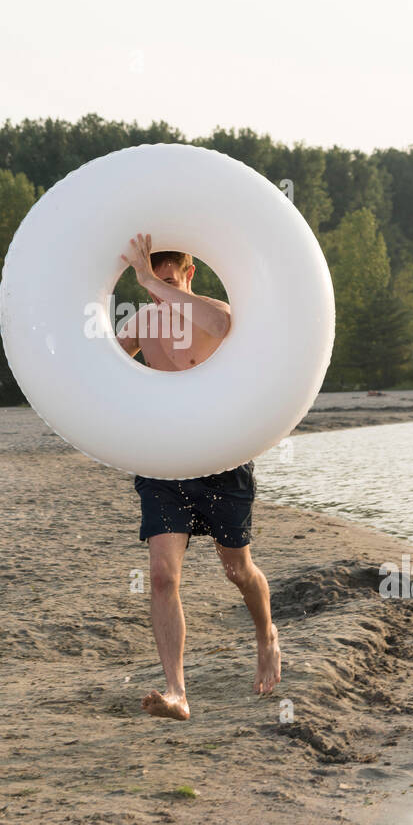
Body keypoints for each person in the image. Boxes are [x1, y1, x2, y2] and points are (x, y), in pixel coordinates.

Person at [117, 232, 281, 721]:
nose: (156, 292)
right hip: (164, 462)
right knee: (163, 576)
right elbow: (94, 369)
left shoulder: (211, 313)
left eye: (167, 280)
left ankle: (266, 633)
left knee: (238, 570)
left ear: (189, 273)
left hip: (222, 457)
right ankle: (177, 692)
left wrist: (151, 281)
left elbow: (223, 323)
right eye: (149, 283)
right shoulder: (142, 322)